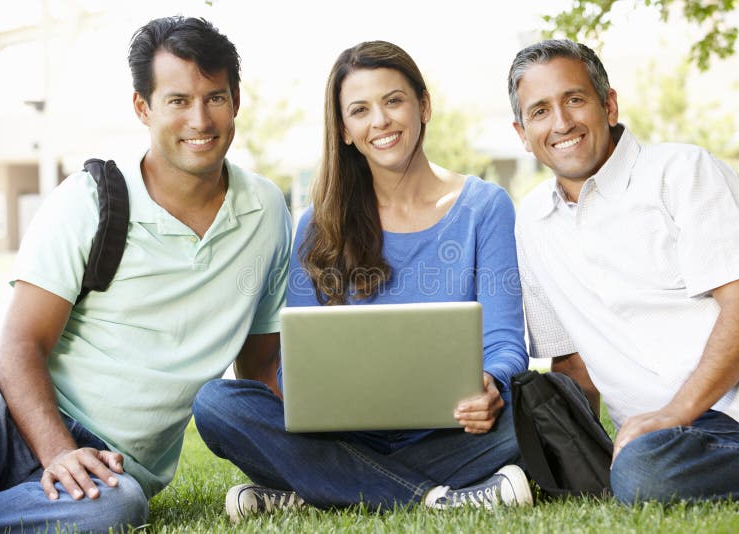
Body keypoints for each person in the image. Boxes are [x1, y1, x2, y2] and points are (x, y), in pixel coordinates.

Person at [192, 40, 531, 520]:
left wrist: (491, 382)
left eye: (393, 101)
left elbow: (505, 345)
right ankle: (438, 497)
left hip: (457, 429)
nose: (381, 121)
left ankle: (317, 489)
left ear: (423, 106)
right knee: (217, 404)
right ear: (345, 130)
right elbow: (294, 368)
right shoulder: (318, 224)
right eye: (360, 110)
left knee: (533, 411)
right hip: (342, 434)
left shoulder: (485, 207)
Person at [0, 16, 291, 532]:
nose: (200, 119)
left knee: (118, 507)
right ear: (142, 107)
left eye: (215, 97)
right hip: (12, 413)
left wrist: (314, 455)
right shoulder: (88, 200)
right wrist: (59, 451)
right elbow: (18, 350)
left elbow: (261, 368)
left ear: (235, 101)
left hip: (110, 462)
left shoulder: (266, 213)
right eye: (177, 101)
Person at [508, 39, 739, 504]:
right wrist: (582, 452)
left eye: (574, 99)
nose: (561, 123)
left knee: (644, 474)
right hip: (676, 443)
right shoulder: (532, 222)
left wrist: (674, 413)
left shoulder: (682, 171)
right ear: (521, 133)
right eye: (540, 111)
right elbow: (571, 363)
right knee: (643, 472)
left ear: (609, 105)